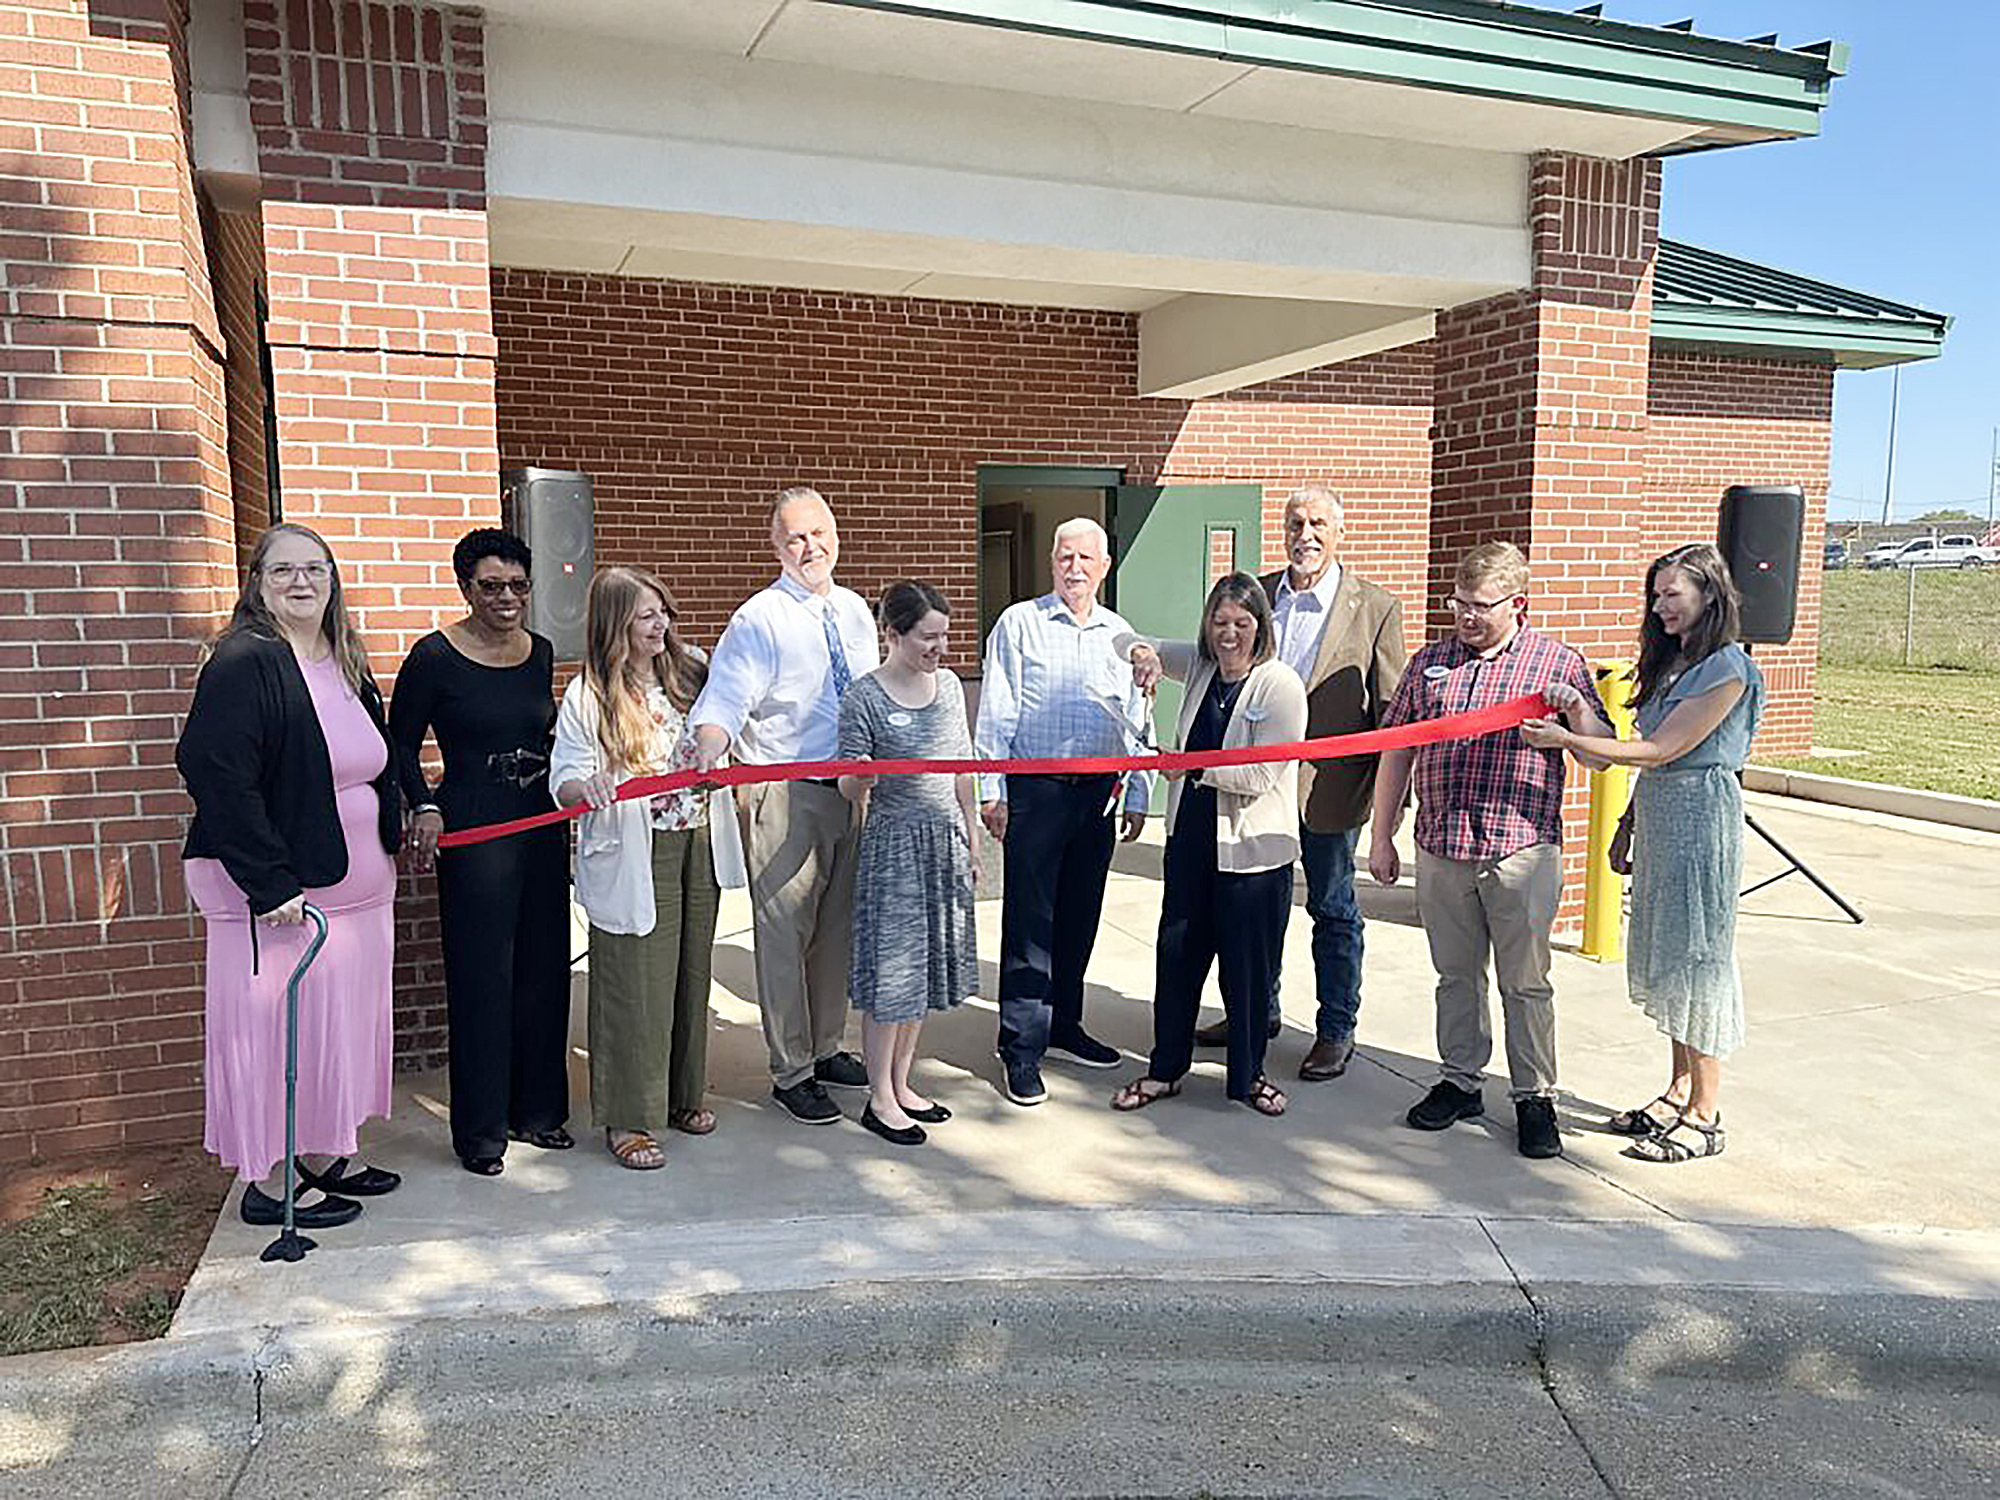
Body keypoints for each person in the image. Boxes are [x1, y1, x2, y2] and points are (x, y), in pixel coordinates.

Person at [176, 523, 404, 1229]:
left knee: (337, 1026)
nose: (301, 582)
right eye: (283, 572)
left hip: (355, 891)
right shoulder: (246, 661)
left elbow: (375, 760)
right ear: (257, 584)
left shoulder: (344, 661)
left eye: (315, 569)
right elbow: (216, 773)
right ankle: (268, 1178)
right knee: (274, 1028)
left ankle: (328, 1149)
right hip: (277, 894)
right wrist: (268, 882)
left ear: (332, 581)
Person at [1136, 485, 1406, 1081]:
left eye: (1317, 524)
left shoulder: (1377, 606)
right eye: (1294, 524)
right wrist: (1145, 651)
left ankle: (1336, 1028)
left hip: (1328, 792)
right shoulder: (1253, 595)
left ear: (1339, 532)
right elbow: (1208, 659)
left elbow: (1391, 714)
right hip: (1251, 803)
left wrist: (1390, 811)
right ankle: (1255, 1014)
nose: (1304, 535)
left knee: (1333, 910)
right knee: (1257, 913)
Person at [1520, 543, 1763, 1164]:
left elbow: (1663, 748)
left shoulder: (1728, 666)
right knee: (1667, 957)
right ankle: (1678, 1089)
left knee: (1698, 962)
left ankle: (1705, 1113)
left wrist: (1564, 736)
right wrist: (1624, 820)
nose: (1659, 610)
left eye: (1671, 596)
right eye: (1655, 598)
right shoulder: (1674, 663)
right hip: (1660, 815)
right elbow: (1631, 756)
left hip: (1702, 823)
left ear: (1709, 594)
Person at [1368, 541, 1612, 1159]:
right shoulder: (1430, 665)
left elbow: (1595, 751)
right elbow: (1397, 749)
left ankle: (1534, 1097)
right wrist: (1382, 834)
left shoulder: (1555, 665)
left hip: (1520, 850)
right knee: (1455, 976)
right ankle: (1459, 1081)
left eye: (1480, 606)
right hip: (1444, 846)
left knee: (1525, 982)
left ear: (1518, 603)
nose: (1466, 616)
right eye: (1459, 603)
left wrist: (1576, 711)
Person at [689, 487, 877, 1125]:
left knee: (834, 933)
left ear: (837, 534)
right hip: (784, 794)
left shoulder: (854, 611)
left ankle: (826, 1048)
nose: (811, 547)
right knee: (783, 935)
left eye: (820, 532)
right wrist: (709, 750)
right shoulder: (758, 619)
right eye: (795, 538)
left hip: (853, 793)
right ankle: (792, 1069)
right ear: (776, 546)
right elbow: (725, 699)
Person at [391, 528, 571, 1177]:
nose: (506, 597)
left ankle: (541, 1113)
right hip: (473, 831)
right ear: (466, 587)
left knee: (543, 970)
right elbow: (401, 746)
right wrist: (425, 805)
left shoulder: (541, 651)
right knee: (482, 980)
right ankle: (481, 1133)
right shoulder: (434, 657)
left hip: (540, 825)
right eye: (490, 586)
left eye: (518, 585)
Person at [1110, 574, 1307, 1117]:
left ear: (1260, 627)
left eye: (1242, 624)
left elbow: (1264, 772)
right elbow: (1122, 639)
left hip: (1253, 857)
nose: (1229, 634)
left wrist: (1188, 765)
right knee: (1176, 960)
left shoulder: (1280, 685)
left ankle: (1248, 1077)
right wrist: (1145, 654)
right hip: (1191, 843)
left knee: (1247, 971)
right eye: (1220, 622)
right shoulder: (1199, 667)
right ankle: (1165, 1069)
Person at [974, 517, 1150, 1108]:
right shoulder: (1019, 624)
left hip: (1098, 795)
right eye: (1064, 556)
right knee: (1031, 922)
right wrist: (991, 792)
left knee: (1081, 915)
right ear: (1053, 563)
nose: (1074, 568)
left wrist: (1141, 793)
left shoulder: (1121, 635)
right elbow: (995, 715)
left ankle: (1064, 1025)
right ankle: (1021, 1047)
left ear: (1105, 567)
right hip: (1037, 791)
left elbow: (1136, 720)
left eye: (1085, 559)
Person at [551, 567, 719, 1170]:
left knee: (690, 972)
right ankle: (629, 1116)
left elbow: (731, 731)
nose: (662, 625)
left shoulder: (690, 675)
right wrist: (587, 785)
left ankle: (679, 1096)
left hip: (697, 839)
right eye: (646, 615)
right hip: (633, 850)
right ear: (615, 622)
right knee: (633, 982)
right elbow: (563, 778)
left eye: (664, 612)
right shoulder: (589, 693)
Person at [836, 581, 981, 1146]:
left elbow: (962, 769)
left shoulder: (947, 687)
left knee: (922, 975)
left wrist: (971, 841)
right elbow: (848, 784)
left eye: (944, 636)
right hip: (894, 848)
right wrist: (863, 775)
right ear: (892, 634)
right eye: (928, 637)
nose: (939, 647)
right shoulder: (864, 696)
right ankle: (879, 1098)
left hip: (942, 843)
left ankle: (902, 1082)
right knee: (892, 979)